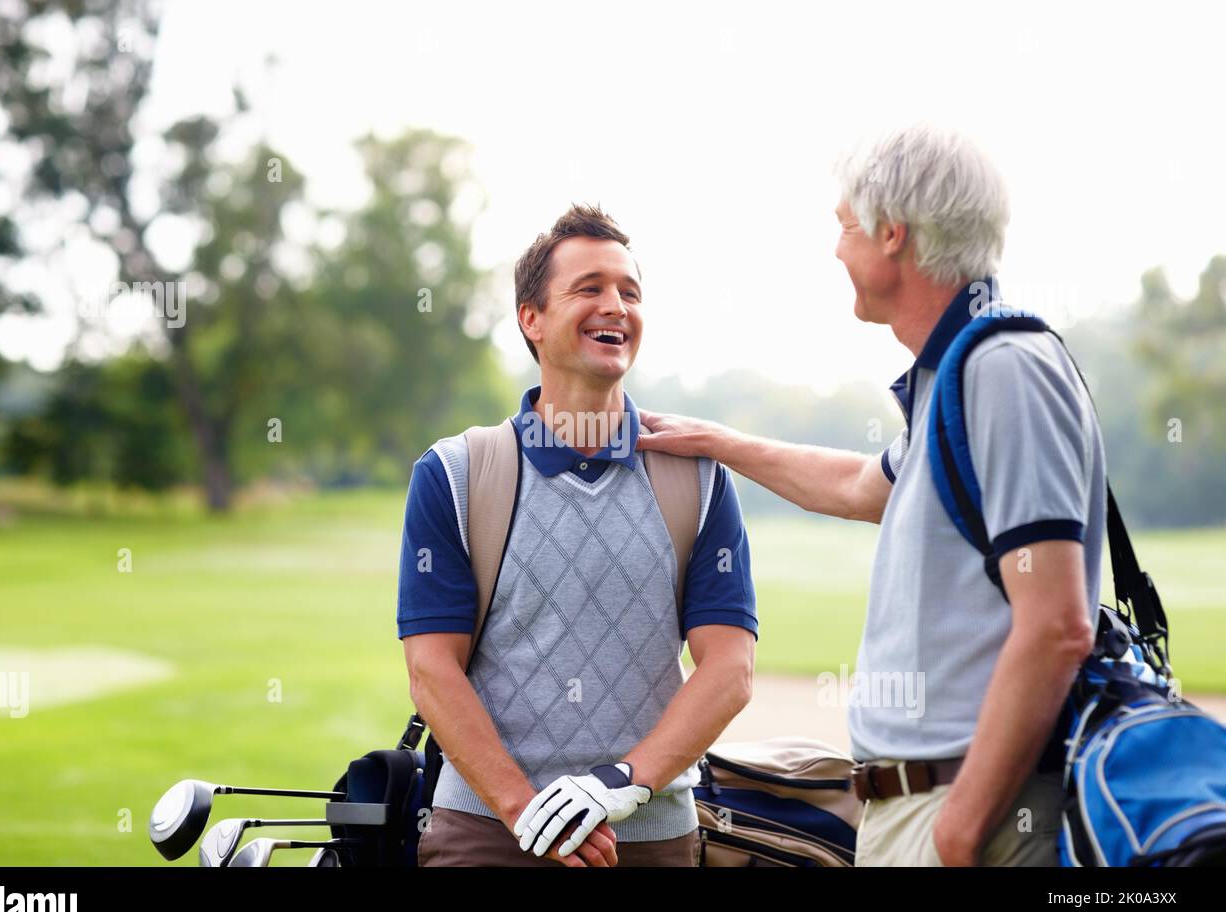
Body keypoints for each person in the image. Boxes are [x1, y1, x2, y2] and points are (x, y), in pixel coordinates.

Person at [638, 126, 1105, 866]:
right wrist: (717, 441)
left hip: (967, 816)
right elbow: (862, 486)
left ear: (893, 235)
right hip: (927, 810)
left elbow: (1056, 626)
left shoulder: (1003, 369)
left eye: (844, 226)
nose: (835, 248)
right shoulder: (957, 372)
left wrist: (956, 832)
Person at [398, 204, 759, 867]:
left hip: (649, 840)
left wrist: (621, 782)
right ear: (531, 318)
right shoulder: (455, 473)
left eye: (630, 291)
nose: (615, 305)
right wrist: (523, 809)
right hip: (486, 836)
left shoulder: (699, 477)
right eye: (589, 288)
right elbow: (431, 669)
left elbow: (730, 669)